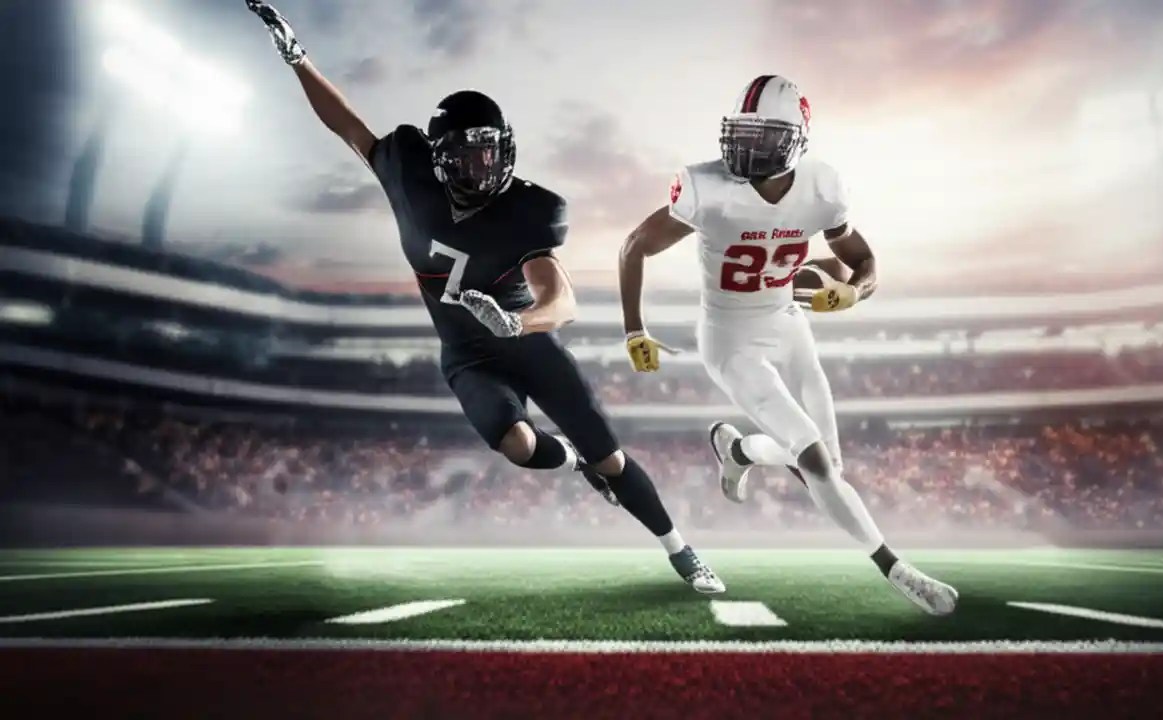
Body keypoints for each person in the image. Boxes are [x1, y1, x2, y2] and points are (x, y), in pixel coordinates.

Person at [245, 1, 723, 593]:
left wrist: (517, 323)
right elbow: (348, 125)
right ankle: (571, 463)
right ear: (439, 161)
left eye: (490, 151)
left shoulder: (529, 209)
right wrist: (297, 58)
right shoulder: (408, 173)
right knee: (520, 445)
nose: (483, 166)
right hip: (468, 354)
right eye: (467, 156)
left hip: (526, 345)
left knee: (613, 461)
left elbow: (562, 299)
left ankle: (680, 550)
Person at [618, 74, 955, 613]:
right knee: (816, 463)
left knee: (828, 467)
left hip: (788, 323)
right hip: (730, 338)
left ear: (796, 139)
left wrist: (850, 293)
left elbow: (863, 264)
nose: (747, 148)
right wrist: (634, 327)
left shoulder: (821, 188)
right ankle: (896, 568)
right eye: (742, 134)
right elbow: (635, 244)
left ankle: (739, 449)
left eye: (764, 136)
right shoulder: (707, 187)